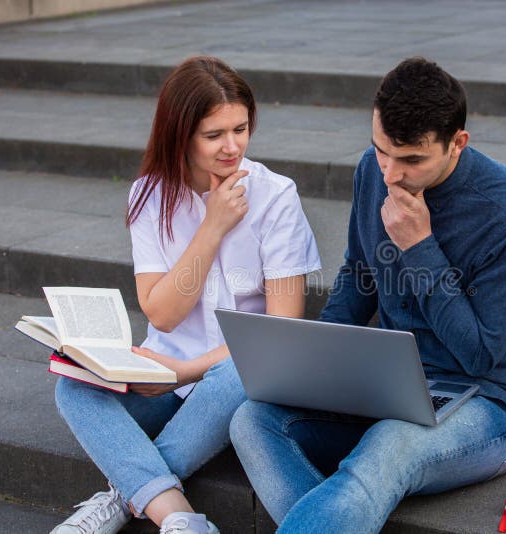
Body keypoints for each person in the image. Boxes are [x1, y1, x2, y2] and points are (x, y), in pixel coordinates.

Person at [229, 57, 506, 533]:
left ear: (457, 144)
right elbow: (359, 272)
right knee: (252, 420)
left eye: (412, 160)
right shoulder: (371, 171)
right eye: (382, 151)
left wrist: (420, 248)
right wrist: (315, 362)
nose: (390, 174)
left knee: (390, 444)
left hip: (489, 405)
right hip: (388, 384)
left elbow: (480, 354)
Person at [51, 56, 320, 534]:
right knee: (73, 385)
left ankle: (128, 493)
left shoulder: (276, 197)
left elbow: (278, 335)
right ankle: (178, 517)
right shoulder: (148, 195)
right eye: (214, 135)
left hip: (239, 377)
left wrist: (186, 371)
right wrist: (212, 227)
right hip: (162, 370)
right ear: (180, 134)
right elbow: (162, 313)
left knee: (243, 369)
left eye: (241, 128)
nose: (232, 146)